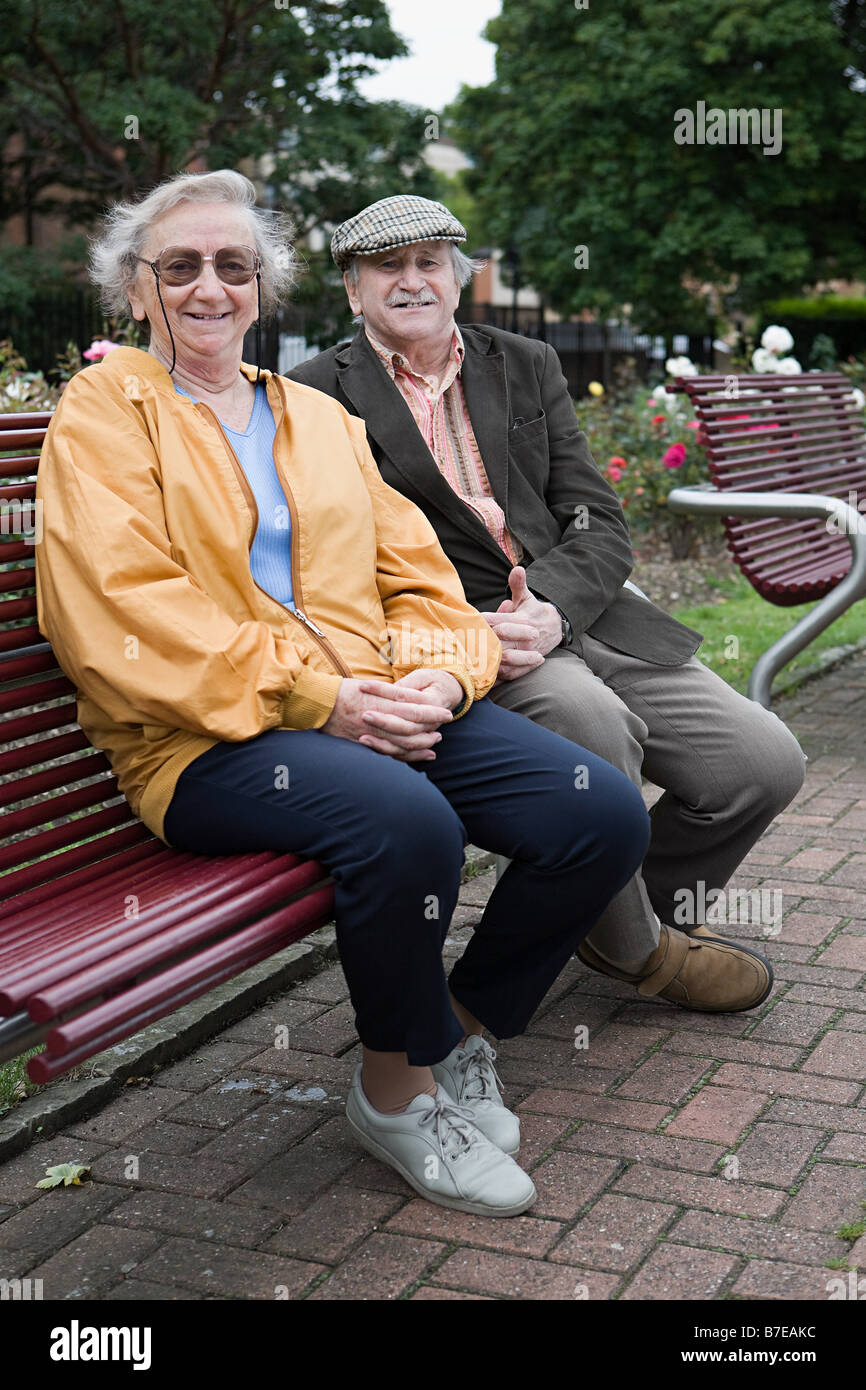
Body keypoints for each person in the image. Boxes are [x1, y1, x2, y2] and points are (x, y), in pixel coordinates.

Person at [34, 170, 651, 1220]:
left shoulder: (313, 415)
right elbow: (122, 610)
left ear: (263, 287)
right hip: (204, 739)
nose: (208, 288)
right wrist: (325, 701)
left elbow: (416, 573)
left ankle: (454, 1030)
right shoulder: (108, 410)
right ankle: (392, 1091)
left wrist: (433, 675)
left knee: (595, 811)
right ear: (136, 291)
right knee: (406, 821)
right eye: (178, 267)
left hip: (372, 706)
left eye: (234, 266)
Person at [290, 194, 808, 1015]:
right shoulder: (312, 395)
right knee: (593, 727)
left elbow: (597, 517)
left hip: (583, 614)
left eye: (430, 263)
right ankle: (643, 952)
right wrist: (469, 629)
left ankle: (608, 923)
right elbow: (330, 563)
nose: (412, 281)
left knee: (761, 764)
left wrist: (556, 608)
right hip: (464, 639)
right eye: (388, 267)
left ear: (459, 281)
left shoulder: (524, 361)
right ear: (353, 291)